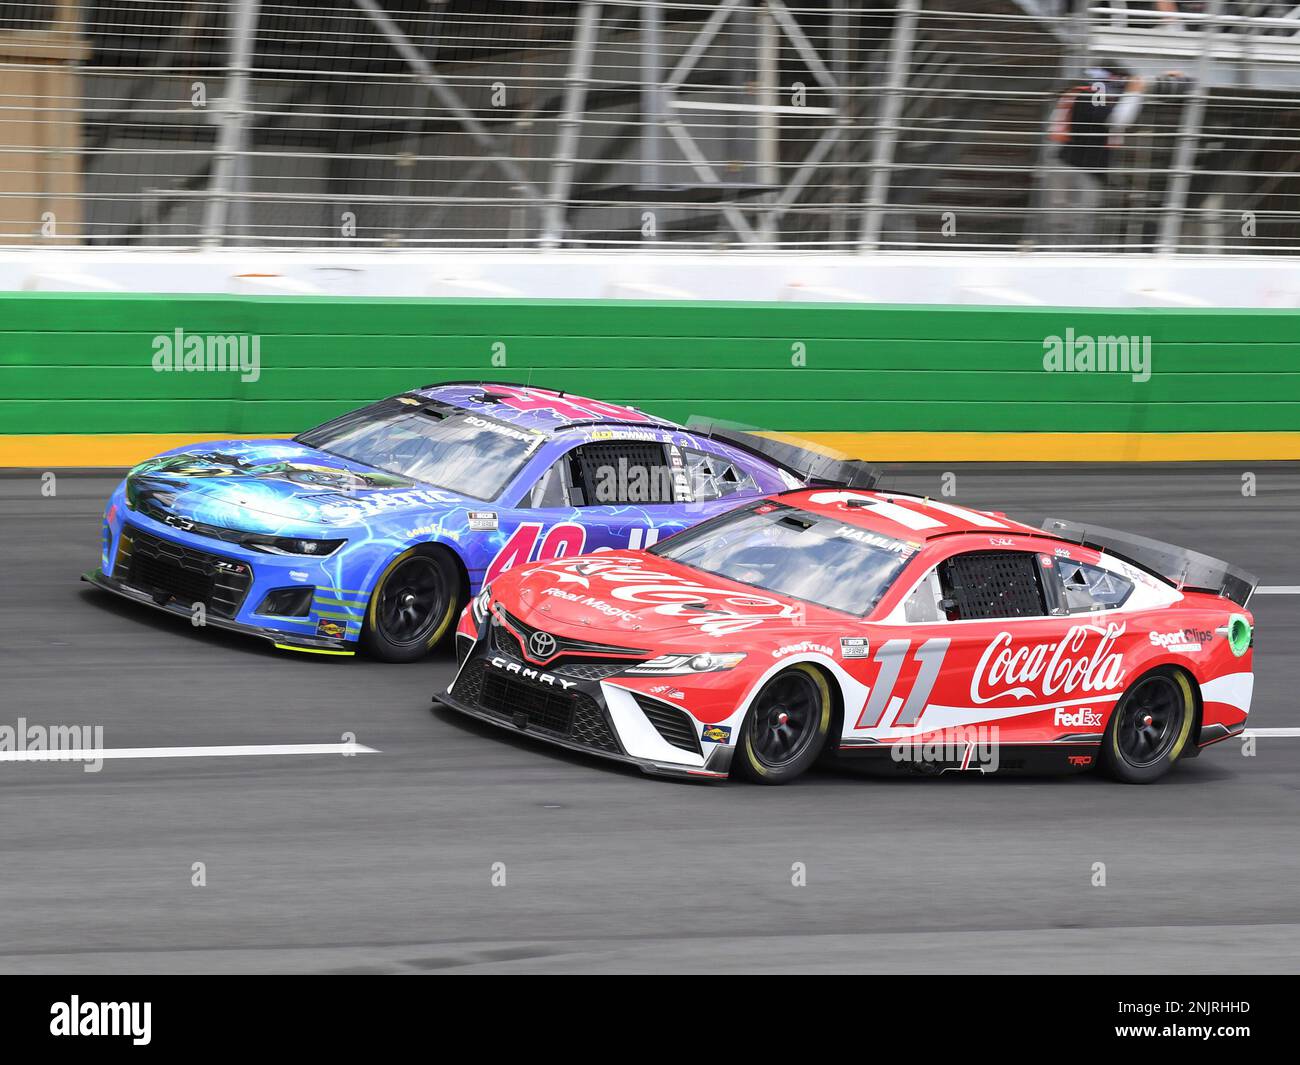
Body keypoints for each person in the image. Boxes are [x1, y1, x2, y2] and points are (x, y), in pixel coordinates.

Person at [1043, 66, 1190, 246]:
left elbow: (1130, 90)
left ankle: (1067, 258)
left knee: (1075, 223)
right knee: (1071, 224)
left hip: (1078, 167)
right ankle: (1064, 261)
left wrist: (1161, 78)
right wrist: (1135, 92)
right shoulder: (1092, 94)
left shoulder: (1090, 91)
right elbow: (1117, 119)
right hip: (1076, 169)